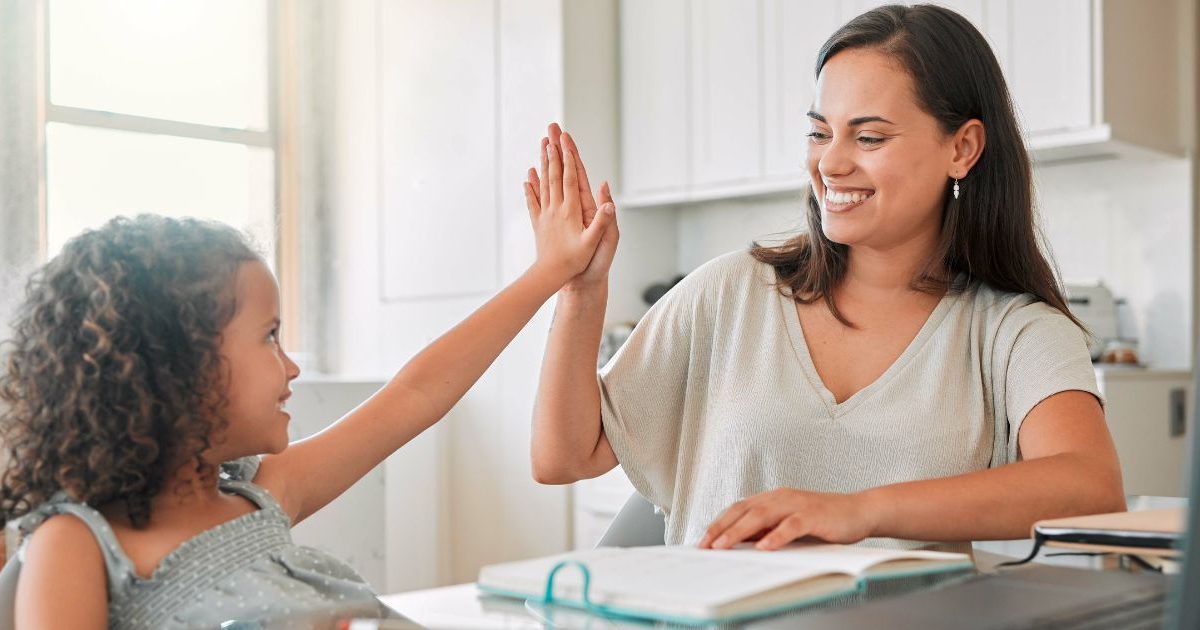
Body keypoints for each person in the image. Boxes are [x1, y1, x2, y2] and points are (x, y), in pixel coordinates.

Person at [527, 4, 1126, 555]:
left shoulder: (1011, 332)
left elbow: (1090, 486)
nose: (832, 162)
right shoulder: (730, 294)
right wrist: (581, 293)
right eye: (819, 132)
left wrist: (861, 512)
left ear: (963, 148)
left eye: (869, 137)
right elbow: (563, 456)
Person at [3, 161, 612, 629]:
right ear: (177, 368)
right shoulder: (78, 545)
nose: (291, 366)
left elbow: (418, 392)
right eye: (269, 337)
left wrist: (548, 274)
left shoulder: (262, 495)